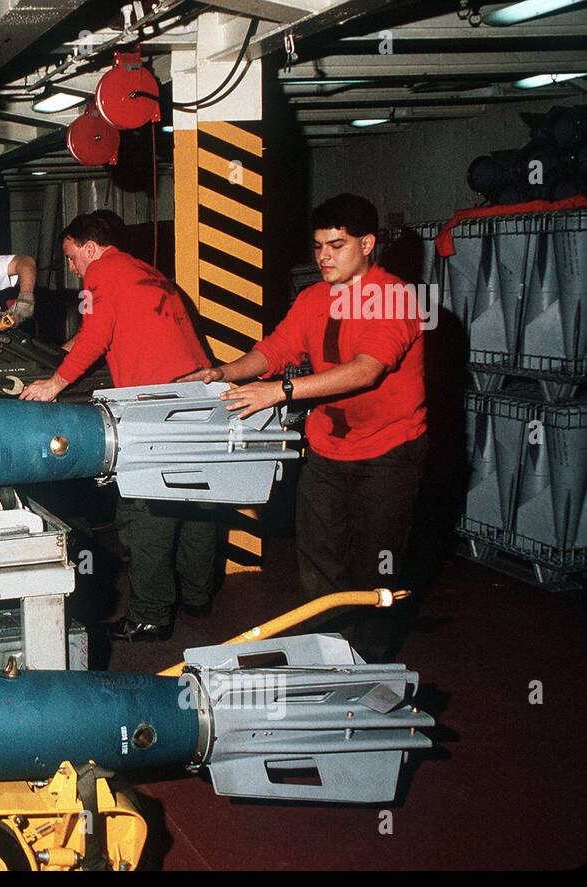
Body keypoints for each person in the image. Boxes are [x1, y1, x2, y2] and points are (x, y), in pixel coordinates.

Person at [178, 194, 427, 659]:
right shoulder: (314, 298)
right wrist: (224, 371)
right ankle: (328, 657)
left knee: (375, 570)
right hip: (329, 450)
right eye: (318, 247)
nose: (324, 257)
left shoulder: (396, 298)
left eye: (337, 245)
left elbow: (366, 369)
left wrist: (280, 392)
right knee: (318, 566)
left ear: (368, 244)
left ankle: (370, 668)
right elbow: (274, 351)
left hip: (388, 454)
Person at [21, 212, 216, 642]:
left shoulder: (102, 272)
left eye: (72, 257)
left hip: (158, 409)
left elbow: (95, 337)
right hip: (199, 403)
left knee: (142, 510)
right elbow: (101, 332)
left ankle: (150, 615)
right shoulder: (145, 272)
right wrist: (54, 355)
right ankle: (198, 600)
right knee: (195, 503)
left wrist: (53, 384)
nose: (72, 269)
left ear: (89, 248)